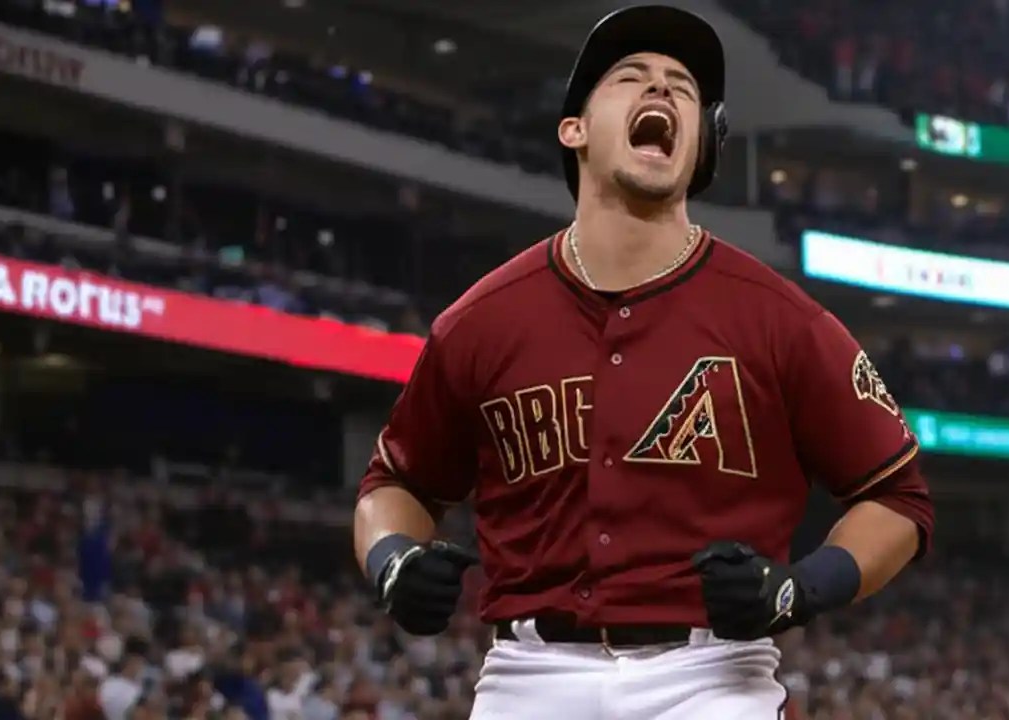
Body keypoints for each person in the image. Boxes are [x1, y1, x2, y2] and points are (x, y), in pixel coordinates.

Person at [352, 5, 934, 719]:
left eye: (683, 89)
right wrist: (393, 561)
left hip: (713, 676)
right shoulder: (481, 321)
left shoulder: (780, 319)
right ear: (574, 129)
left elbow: (898, 498)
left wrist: (802, 588)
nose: (661, 88)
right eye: (632, 76)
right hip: (528, 674)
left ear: (701, 148)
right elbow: (395, 483)